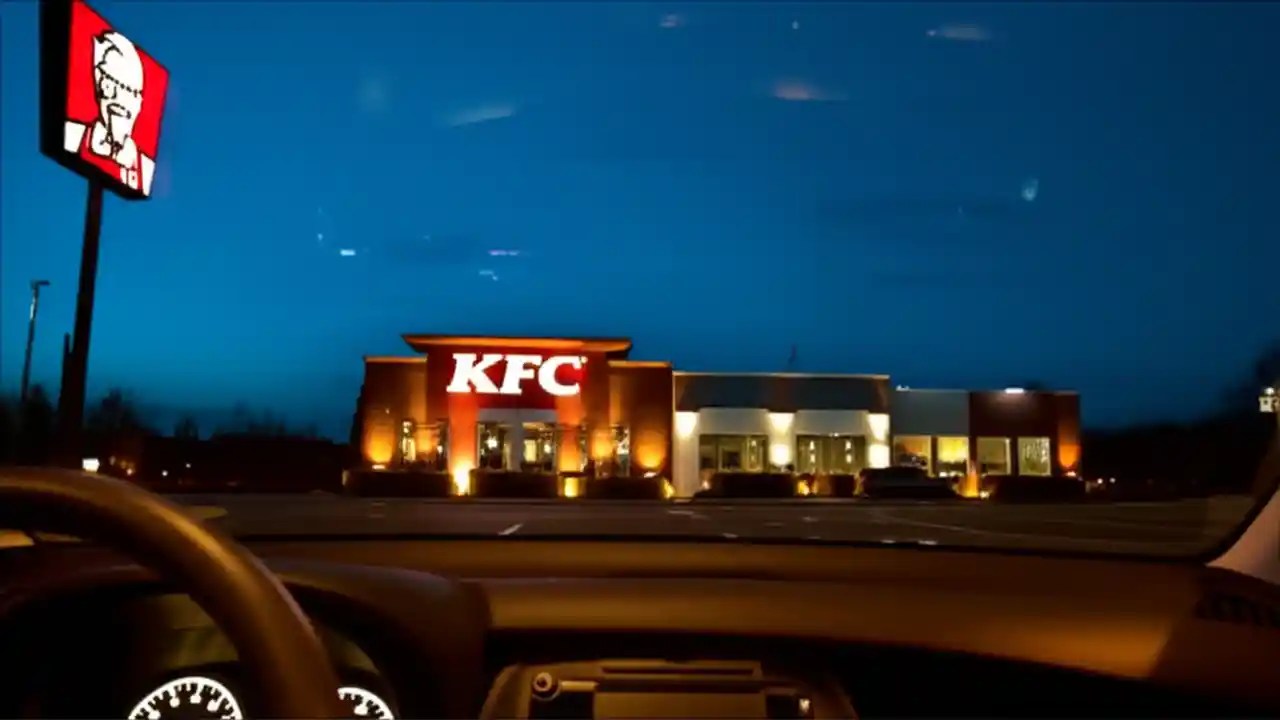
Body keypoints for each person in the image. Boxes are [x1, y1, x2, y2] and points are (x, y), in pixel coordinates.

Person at [63, 31, 156, 196]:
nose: (119, 99)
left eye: (130, 91)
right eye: (109, 86)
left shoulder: (145, 169)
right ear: (99, 85)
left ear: (139, 101)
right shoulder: (72, 136)